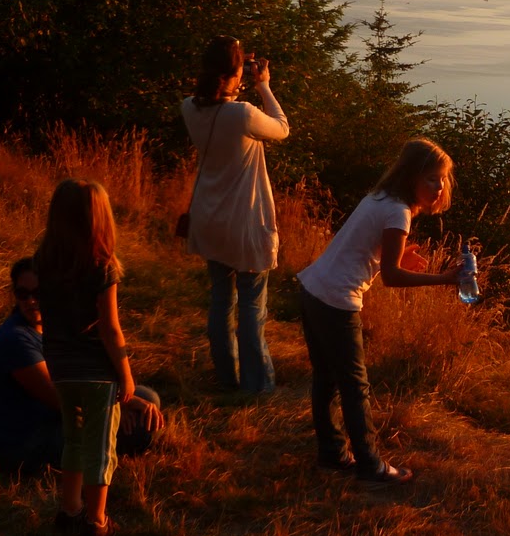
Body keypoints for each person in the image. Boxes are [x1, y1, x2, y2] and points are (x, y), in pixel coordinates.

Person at [296, 138, 465, 485]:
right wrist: (445, 279)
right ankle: (371, 466)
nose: (439, 186)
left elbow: (365, 246)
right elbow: (391, 277)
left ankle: (332, 455)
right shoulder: (397, 212)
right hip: (336, 299)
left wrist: (399, 257)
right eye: (432, 178)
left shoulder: (380, 198)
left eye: (443, 179)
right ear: (410, 176)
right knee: (354, 386)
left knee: (327, 379)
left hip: (313, 289)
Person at [0, 257, 163, 475]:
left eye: (38, 293)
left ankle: (111, 439)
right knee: (139, 426)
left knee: (148, 397)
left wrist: (121, 401)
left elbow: (90, 367)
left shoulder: (54, 324)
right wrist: (115, 409)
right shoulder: (16, 340)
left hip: (59, 417)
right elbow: (63, 400)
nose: (31, 301)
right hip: (31, 441)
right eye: (23, 294)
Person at [181, 36, 290, 394]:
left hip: (208, 218)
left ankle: (226, 376)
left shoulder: (189, 108)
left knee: (219, 300)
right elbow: (282, 127)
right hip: (244, 222)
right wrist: (264, 86)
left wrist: (239, 80)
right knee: (250, 307)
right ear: (236, 71)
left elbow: (214, 100)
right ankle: (257, 386)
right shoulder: (241, 113)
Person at [34, 180, 135, 536]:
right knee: (101, 446)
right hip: (97, 373)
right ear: (100, 219)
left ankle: (69, 509)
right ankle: (97, 521)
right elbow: (110, 328)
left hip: (60, 368)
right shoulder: (102, 266)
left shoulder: (42, 263)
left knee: (73, 439)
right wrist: (125, 375)